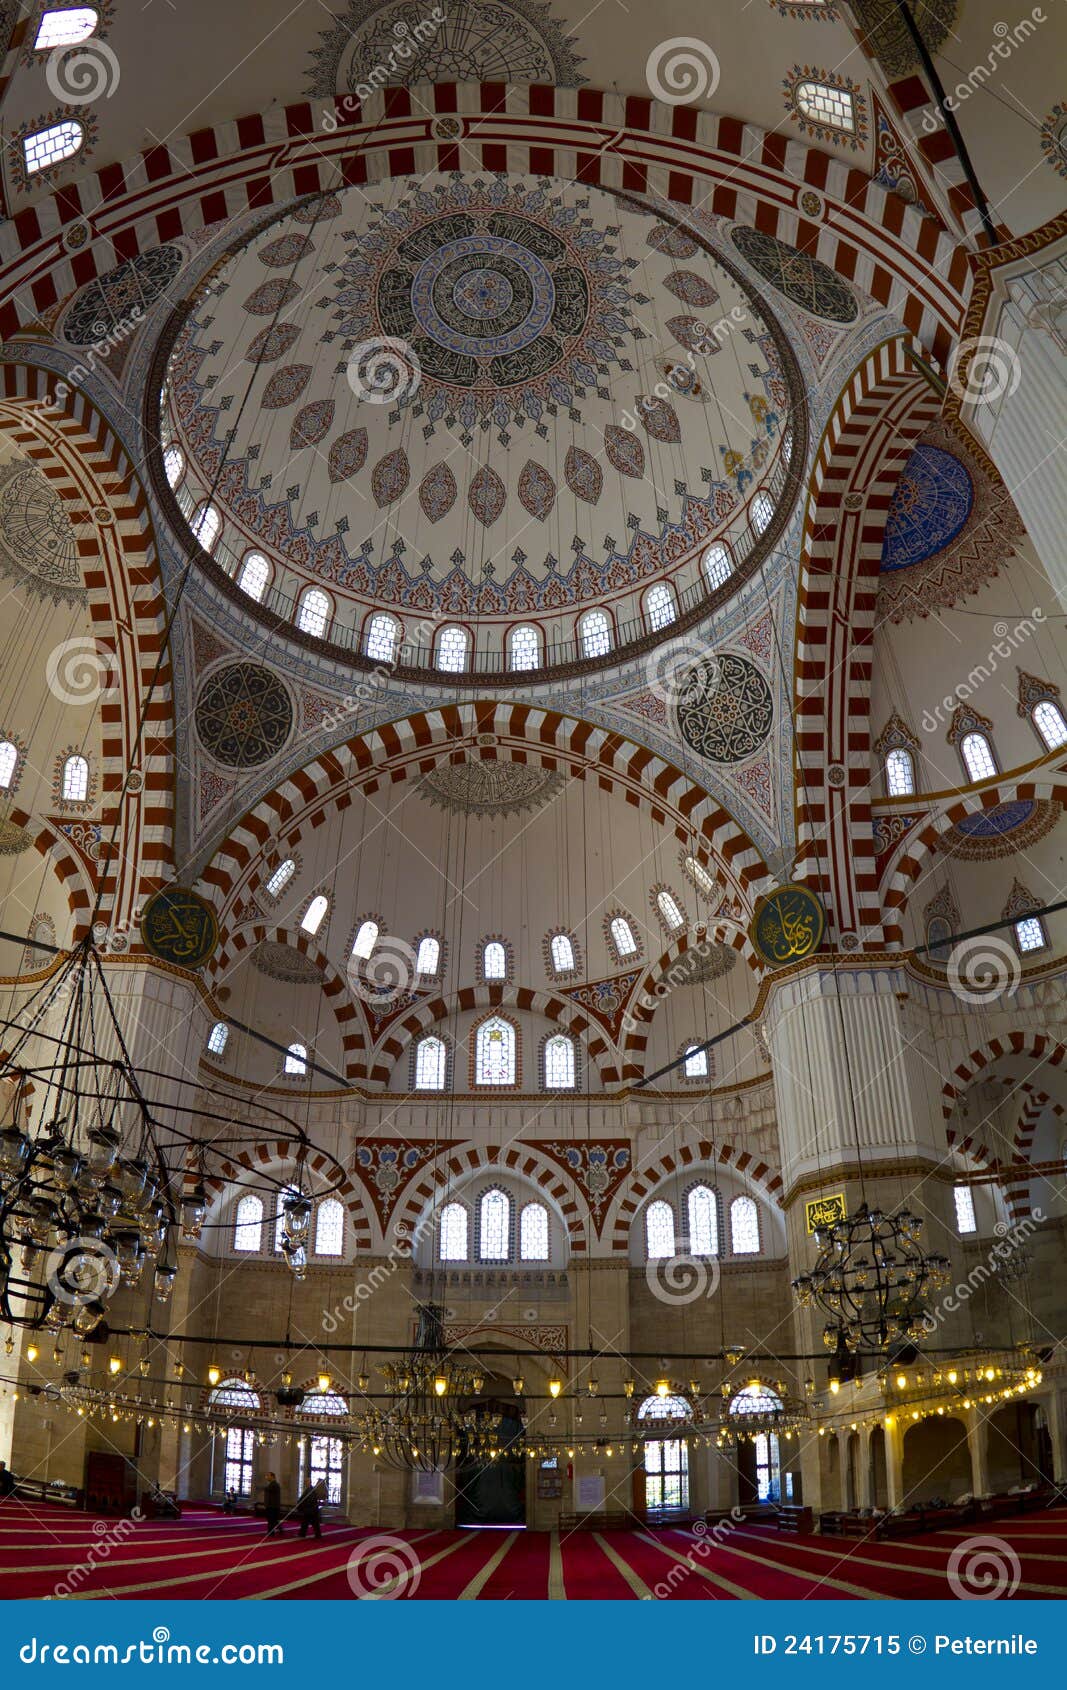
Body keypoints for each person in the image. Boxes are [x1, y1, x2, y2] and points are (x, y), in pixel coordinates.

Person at [263, 1472, 282, 1537]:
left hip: (273, 1506)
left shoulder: (275, 1484)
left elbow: (267, 1489)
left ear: (272, 1477)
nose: (267, 1477)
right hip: (271, 1505)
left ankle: (270, 1533)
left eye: (268, 1476)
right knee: (273, 1520)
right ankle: (277, 1530)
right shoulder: (271, 1484)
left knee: (271, 1520)